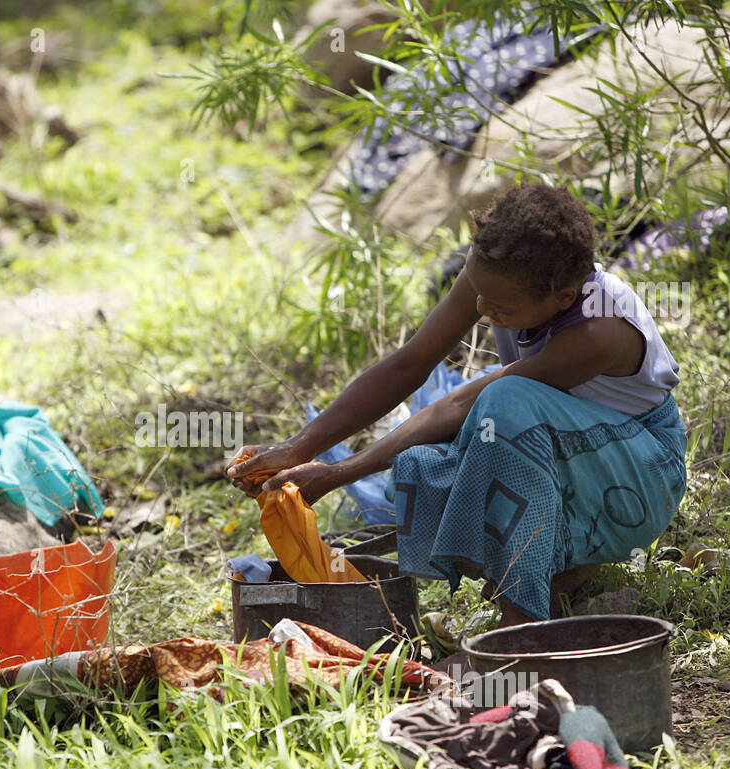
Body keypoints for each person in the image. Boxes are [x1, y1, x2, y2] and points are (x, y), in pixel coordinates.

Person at [227, 184, 687, 627]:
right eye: (478, 293)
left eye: (501, 307)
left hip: (640, 473)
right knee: (420, 465)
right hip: (570, 452)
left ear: (562, 299)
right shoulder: (499, 278)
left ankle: (520, 624)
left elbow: (467, 401)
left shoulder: (598, 331)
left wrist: (336, 474)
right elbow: (407, 366)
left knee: (504, 403)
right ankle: (554, 574)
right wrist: (300, 448)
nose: (483, 308)